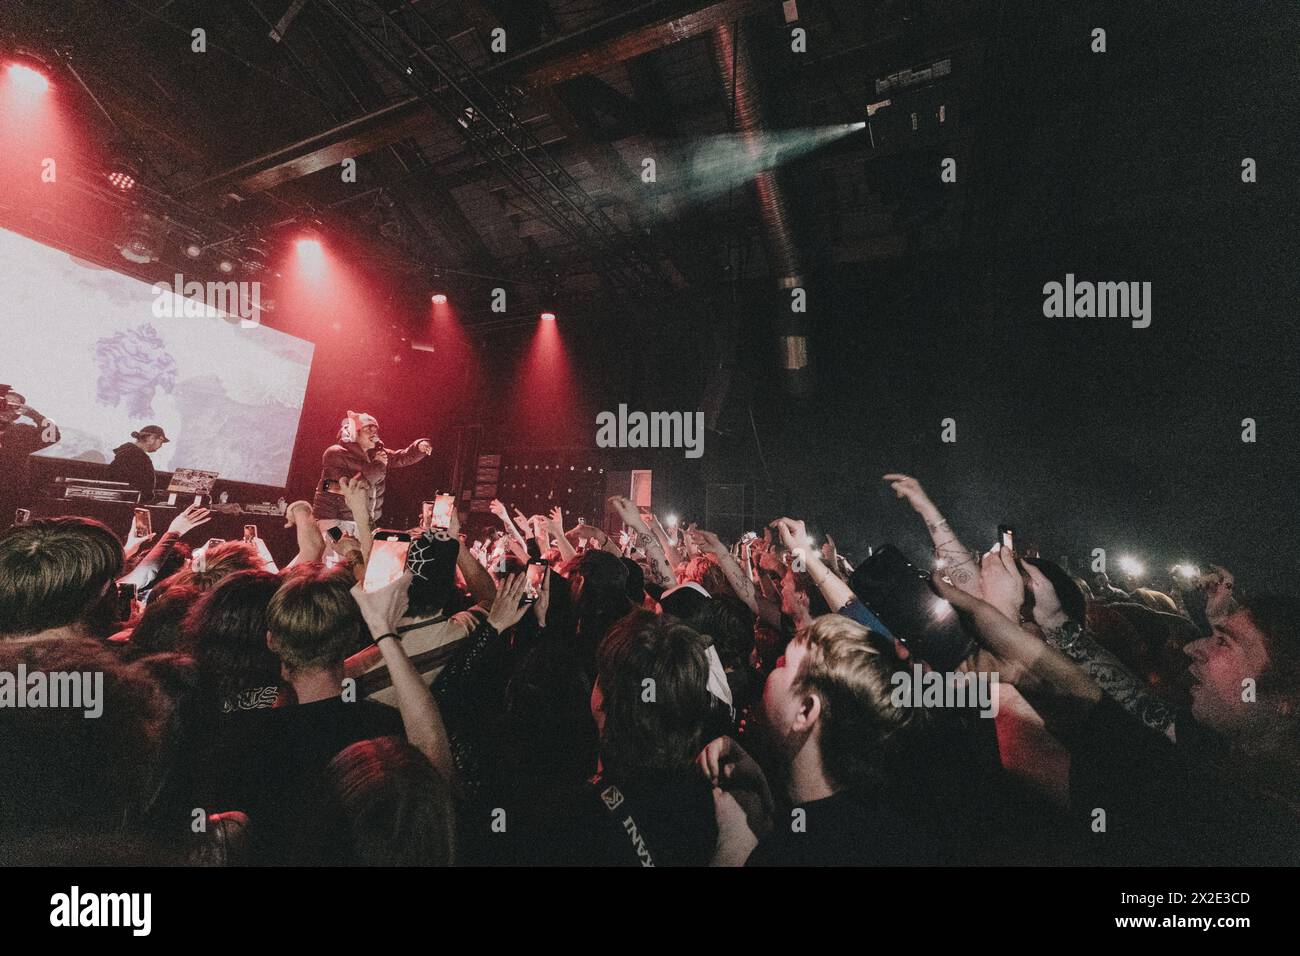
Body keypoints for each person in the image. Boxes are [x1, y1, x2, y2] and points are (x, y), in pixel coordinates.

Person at [312, 410, 431, 536]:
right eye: (368, 429)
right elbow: (340, 488)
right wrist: (378, 465)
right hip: (333, 521)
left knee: (359, 555)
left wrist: (419, 447)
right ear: (354, 433)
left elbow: (402, 458)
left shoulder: (375, 454)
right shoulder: (335, 453)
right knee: (337, 554)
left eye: (375, 430)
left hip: (361, 522)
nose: (374, 433)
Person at [0, 390, 60, 529]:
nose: (6, 409)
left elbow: (53, 435)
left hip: (7, 497)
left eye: (13, 406)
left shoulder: (23, 432)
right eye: (3, 403)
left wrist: (33, 414)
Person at [106, 425, 169, 502]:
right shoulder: (138, 457)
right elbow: (144, 490)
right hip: (131, 504)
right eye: (161, 441)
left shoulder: (126, 453)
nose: (161, 446)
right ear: (151, 438)